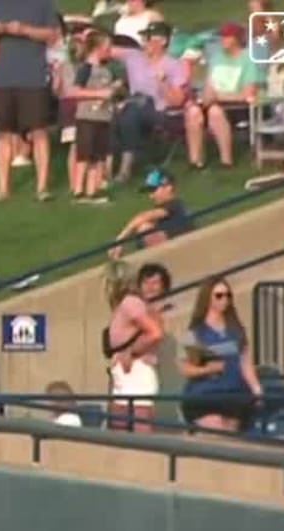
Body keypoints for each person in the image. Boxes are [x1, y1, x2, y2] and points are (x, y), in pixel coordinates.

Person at [0, 0, 63, 201]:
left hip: (33, 77)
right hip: (3, 77)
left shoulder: (43, 4)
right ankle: (3, 189)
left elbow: (52, 35)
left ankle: (42, 188)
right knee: (4, 133)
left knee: (38, 131)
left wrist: (24, 30)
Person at [180, 276, 263, 432]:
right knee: (216, 431)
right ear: (207, 298)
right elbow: (185, 369)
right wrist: (209, 369)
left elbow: (246, 364)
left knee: (230, 435)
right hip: (204, 395)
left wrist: (256, 389)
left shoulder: (236, 330)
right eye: (219, 295)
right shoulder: (193, 332)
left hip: (234, 393)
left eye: (227, 295)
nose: (224, 299)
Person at [113, 22, 188, 183]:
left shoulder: (173, 65)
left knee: (130, 112)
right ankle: (116, 167)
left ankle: (126, 167)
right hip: (133, 105)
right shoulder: (134, 56)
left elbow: (178, 100)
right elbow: (103, 50)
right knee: (126, 112)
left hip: (160, 110)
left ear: (162, 41)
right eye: (143, 38)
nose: (144, 42)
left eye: (148, 38)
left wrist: (163, 84)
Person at [184, 22, 259, 169]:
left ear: (236, 39)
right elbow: (209, 85)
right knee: (192, 112)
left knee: (215, 112)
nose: (222, 40)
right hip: (214, 101)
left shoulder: (248, 60)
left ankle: (226, 161)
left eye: (226, 37)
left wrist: (218, 97)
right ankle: (195, 162)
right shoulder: (216, 58)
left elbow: (248, 94)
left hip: (236, 105)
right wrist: (204, 99)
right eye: (222, 37)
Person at [69, 29, 128, 203]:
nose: (110, 51)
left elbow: (112, 92)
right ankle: (78, 190)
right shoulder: (85, 69)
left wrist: (116, 91)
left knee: (98, 156)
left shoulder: (108, 70)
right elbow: (74, 91)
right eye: (107, 47)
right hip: (87, 117)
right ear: (97, 48)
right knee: (84, 155)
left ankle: (92, 190)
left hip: (104, 117)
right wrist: (101, 94)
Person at [103, 267, 166, 431]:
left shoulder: (131, 303)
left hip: (136, 374)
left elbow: (155, 333)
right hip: (123, 375)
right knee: (118, 430)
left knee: (139, 430)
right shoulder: (127, 304)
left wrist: (131, 351)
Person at [111, 168, 192, 254]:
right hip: (178, 250)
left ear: (169, 187)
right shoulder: (167, 210)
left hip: (183, 251)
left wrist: (120, 240)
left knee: (144, 229)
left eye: (154, 190)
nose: (151, 196)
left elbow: (142, 217)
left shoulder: (174, 204)